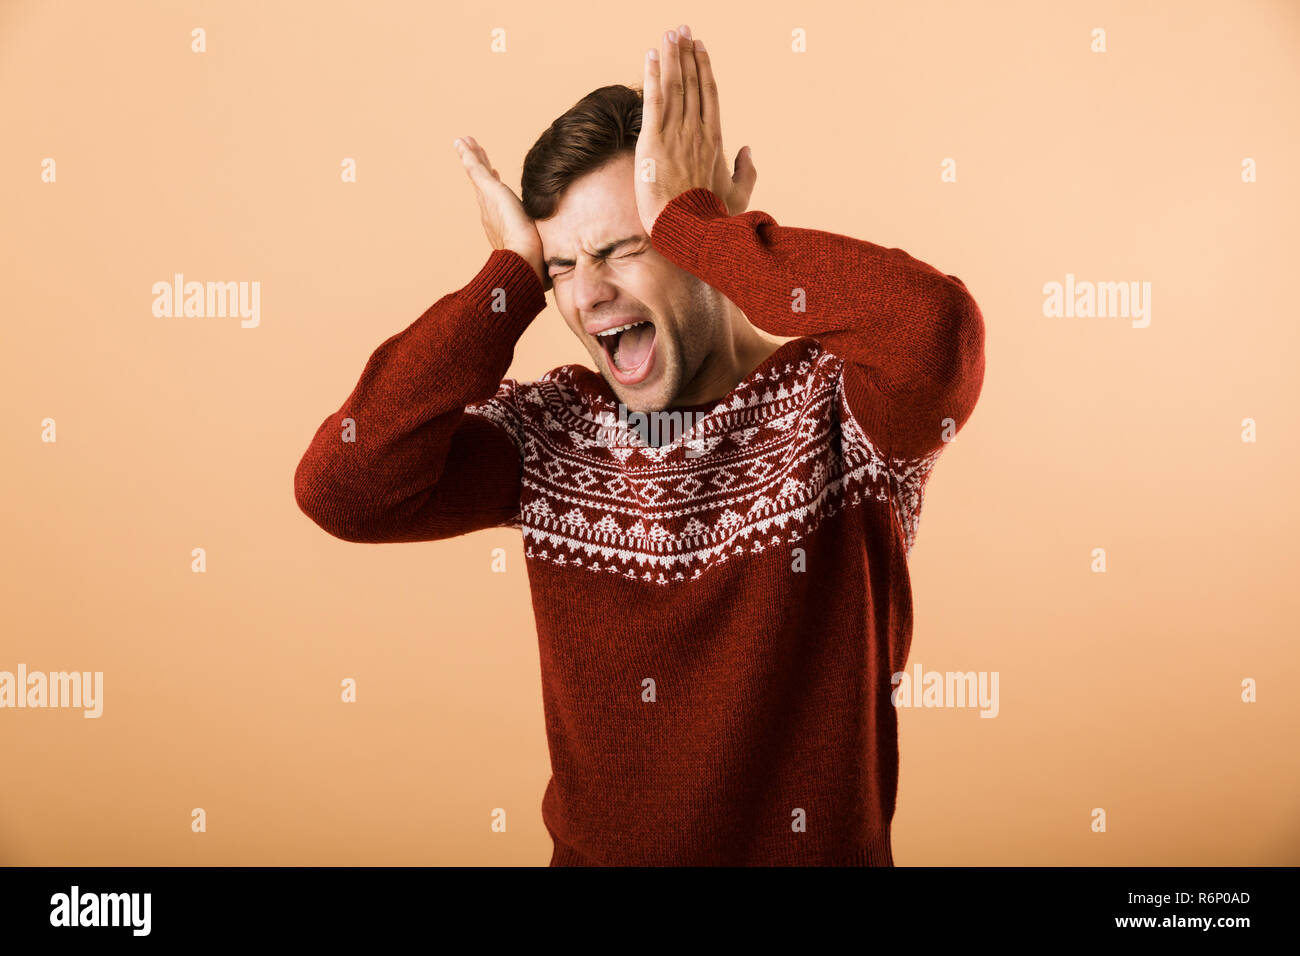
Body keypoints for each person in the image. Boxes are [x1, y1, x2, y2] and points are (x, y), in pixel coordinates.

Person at [294, 23, 986, 866]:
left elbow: (936, 331)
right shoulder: (553, 431)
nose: (587, 294)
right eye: (559, 268)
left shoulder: (843, 408)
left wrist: (706, 229)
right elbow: (344, 485)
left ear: (710, 228)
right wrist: (506, 281)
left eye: (626, 247)